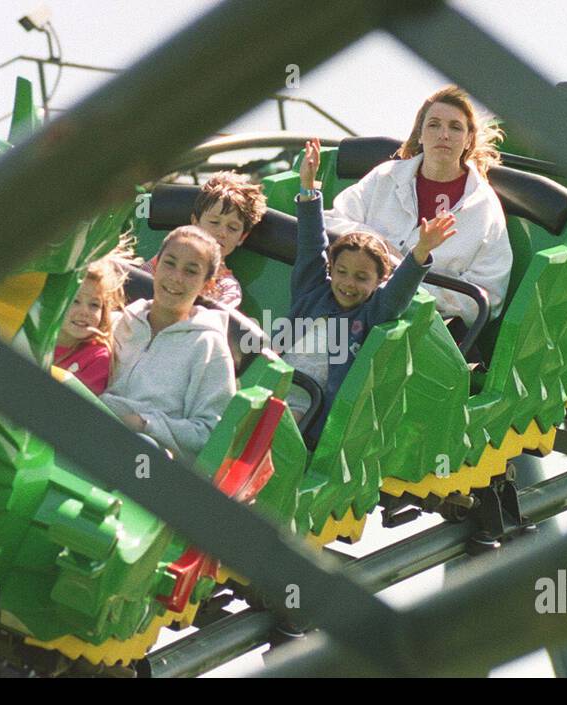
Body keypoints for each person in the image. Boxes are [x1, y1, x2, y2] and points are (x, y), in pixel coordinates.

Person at [285, 139, 453, 444]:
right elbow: (311, 244)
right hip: (274, 386)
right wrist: (308, 187)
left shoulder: (372, 311)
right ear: (331, 270)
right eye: (342, 273)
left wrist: (421, 251)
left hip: (306, 408)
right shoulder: (313, 291)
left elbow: (398, 293)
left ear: (379, 281)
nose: (348, 284)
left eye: (361, 277)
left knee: (280, 430)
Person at [325, 85, 513, 327]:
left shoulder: (485, 208)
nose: (443, 134)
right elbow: (331, 221)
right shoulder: (385, 177)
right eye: (434, 125)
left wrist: (409, 288)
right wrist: (380, 249)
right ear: (420, 135)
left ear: (468, 140)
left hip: (422, 327)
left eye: (455, 127)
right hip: (350, 304)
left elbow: (487, 298)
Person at [100, 225, 237, 459]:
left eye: (191, 271)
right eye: (170, 263)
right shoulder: (115, 323)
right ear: (155, 265)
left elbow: (209, 433)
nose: (176, 278)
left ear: (208, 285)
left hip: (148, 455)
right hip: (93, 427)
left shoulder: (209, 347)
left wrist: (145, 424)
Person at [144, 171, 268, 308]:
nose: (222, 233)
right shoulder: (166, 261)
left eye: (232, 228)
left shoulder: (227, 289)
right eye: (214, 222)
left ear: (242, 237)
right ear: (195, 222)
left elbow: (216, 321)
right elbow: (136, 284)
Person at [53, 256, 126, 395]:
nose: (84, 312)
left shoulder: (97, 357)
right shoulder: (32, 330)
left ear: (104, 312)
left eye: (94, 305)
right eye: (75, 301)